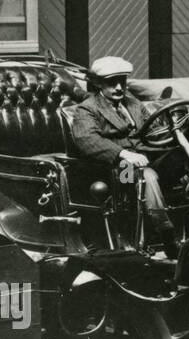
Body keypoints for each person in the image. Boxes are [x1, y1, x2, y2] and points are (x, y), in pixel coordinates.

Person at [69, 56, 177, 255]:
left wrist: (174, 134)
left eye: (123, 81)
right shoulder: (88, 109)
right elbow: (87, 140)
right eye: (112, 82)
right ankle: (166, 234)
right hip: (117, 170)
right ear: (99, 83)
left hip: (146, 157)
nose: (119, 87)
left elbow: (153, 129)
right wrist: (124, 154)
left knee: (186, 160)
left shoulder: (133, 103)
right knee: (146, 176)